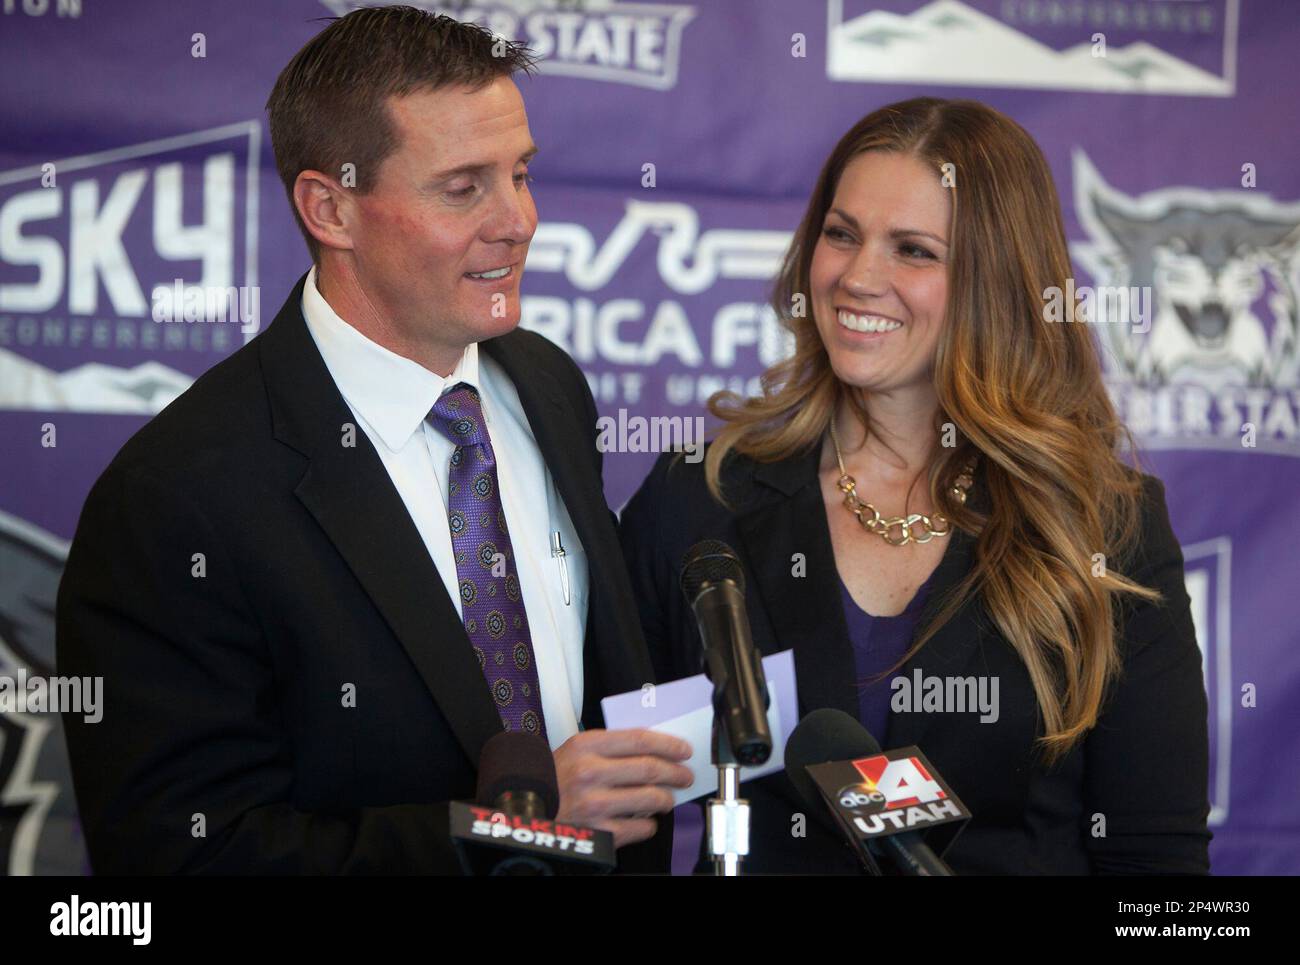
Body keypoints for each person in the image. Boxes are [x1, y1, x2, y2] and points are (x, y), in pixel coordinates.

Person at [56, 7, 691, 875]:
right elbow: (180, 857)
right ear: (331, 208)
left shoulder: (548, 384)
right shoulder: (175, 497)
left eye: (521, 173)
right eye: (464, 187)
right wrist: (513, 826)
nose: (520, 221)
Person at [620, 97, 1212, 874]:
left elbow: (1158, 869)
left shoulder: (1105, 526)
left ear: (995, 281)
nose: (859, 277)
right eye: (841, 234)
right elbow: (627, 814)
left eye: (914, 250)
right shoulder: (701, 497)